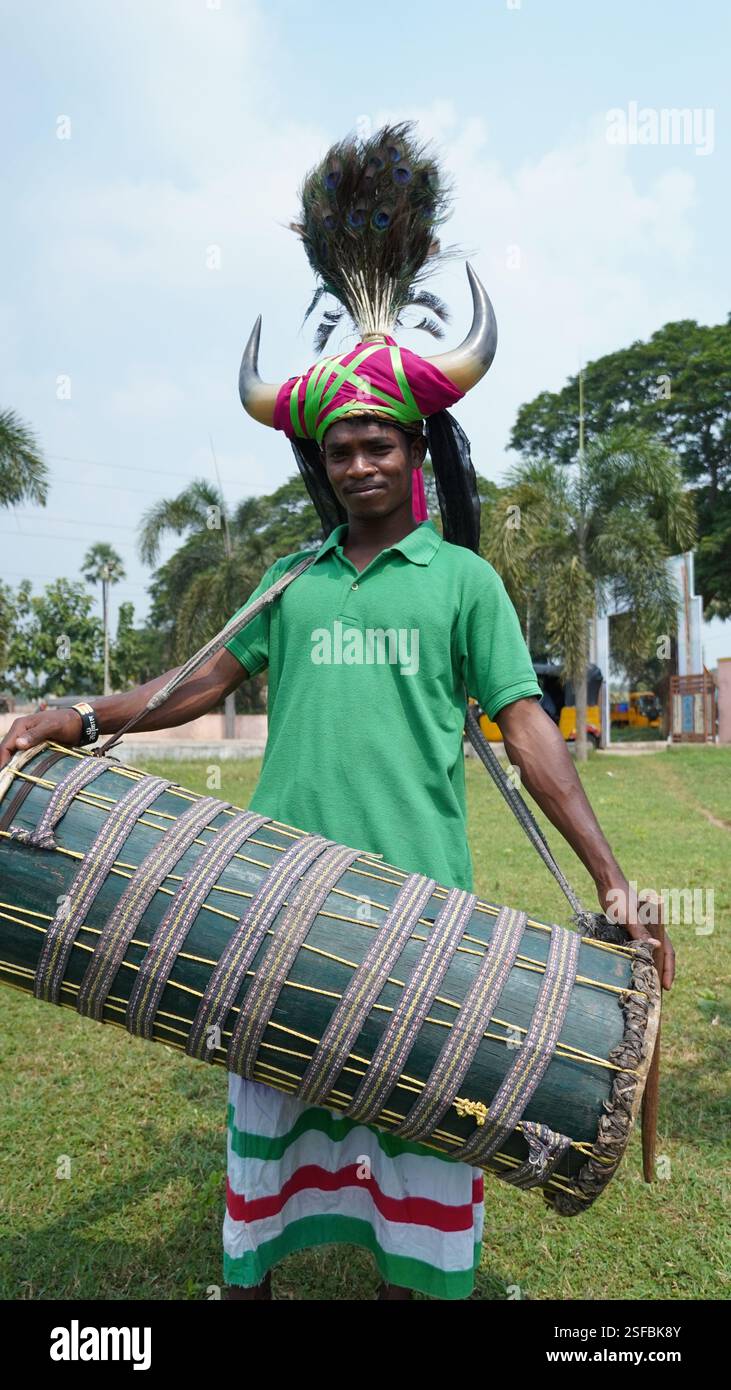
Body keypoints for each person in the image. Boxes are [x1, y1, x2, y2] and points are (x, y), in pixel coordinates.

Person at [0, 123, 674, 1301]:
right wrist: (76, 708)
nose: (358, 463)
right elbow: (194, 683)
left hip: (423, 906)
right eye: (339, 448)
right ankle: (251, 1279)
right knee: (271, 1097)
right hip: (267, 895)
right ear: (319, 463)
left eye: (378, 443)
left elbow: (524, 732)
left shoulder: (464, 583)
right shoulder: (287, 580)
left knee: (424, 1108)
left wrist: (612, 880)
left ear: (418, 450)